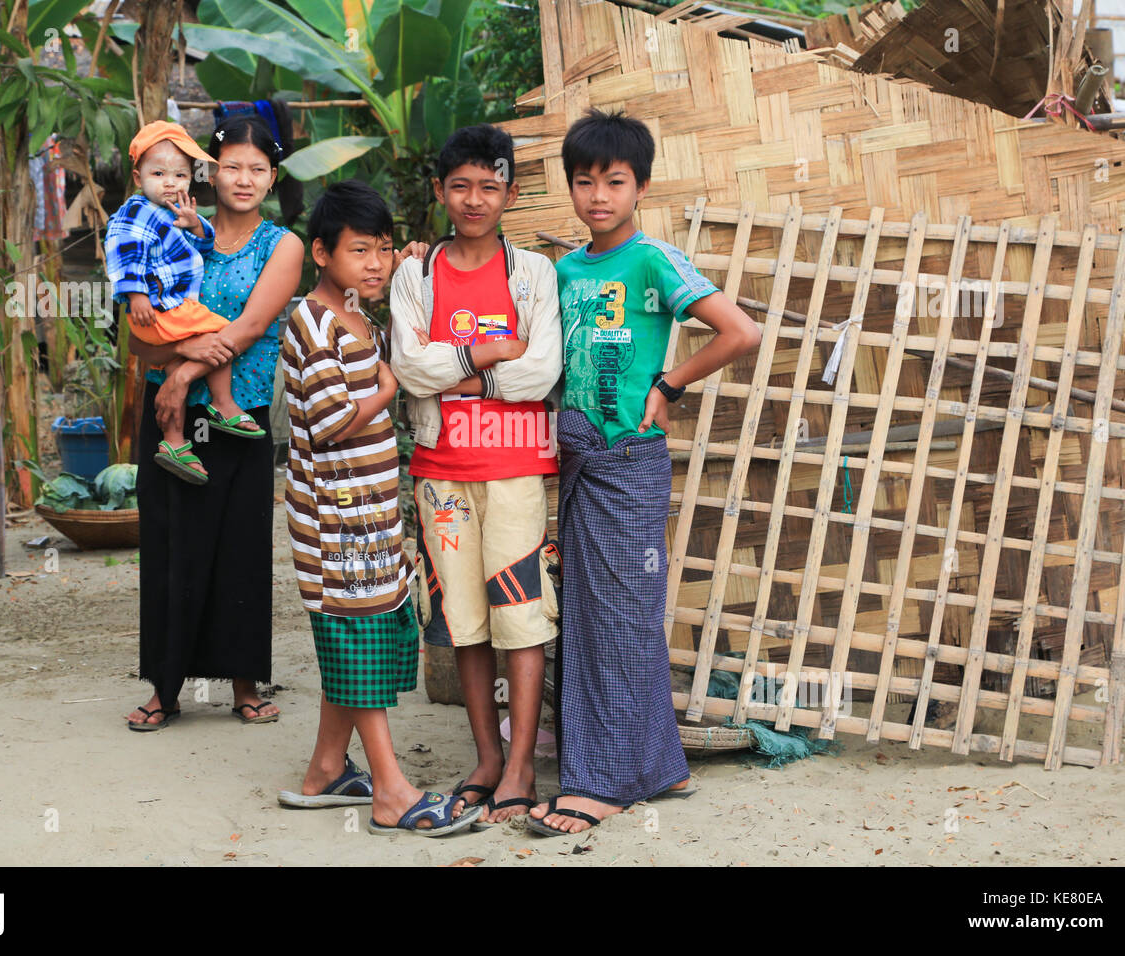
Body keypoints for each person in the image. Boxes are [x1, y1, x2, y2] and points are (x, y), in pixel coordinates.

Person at [529, 109, 762, 836]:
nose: (598, 195)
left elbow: (742, 331)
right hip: (576, 457)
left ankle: (604, 782)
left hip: (628, 461)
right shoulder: (563, 271)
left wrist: (670, 386)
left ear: (642, 188)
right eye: (584, 182)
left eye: (615, 182)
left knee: (623, 617)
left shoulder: (654, 261)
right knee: (592, 619)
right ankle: (661, 767)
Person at [275, 180, 479, 836]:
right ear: (321, 253)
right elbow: (333, 420)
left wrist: (413, 272)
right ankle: (390, 790)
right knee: (356, 636)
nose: (374, 262)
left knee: (370, 636)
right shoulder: (310, 322)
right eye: (359, 250)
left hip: (369, 506)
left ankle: (325, 773)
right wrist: (387, 385)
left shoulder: (361, 313)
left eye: (384, 250)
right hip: (336, 519)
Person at [389, 124, 563, 827]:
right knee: (463, 621)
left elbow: (542, 370)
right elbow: (409, 366)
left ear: (511, 194)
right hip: (440, 474)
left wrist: (457, 367)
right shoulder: (414, 275)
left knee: (520, 617)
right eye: (459, 185)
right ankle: (486, 758)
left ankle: (520, 764)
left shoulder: (533, 275)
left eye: (489, 186)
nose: (474, 199)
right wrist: (494, 350)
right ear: (439, 191)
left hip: (517, 469)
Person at [124, 115, 302, 730]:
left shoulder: (282, 246)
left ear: (273, 177)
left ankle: (244, 685)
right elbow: (142, 337)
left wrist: (179, 376)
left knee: (240, 547)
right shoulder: (170, 234)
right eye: (231, 166)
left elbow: (250, 328)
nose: (244, 179)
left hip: (238, 417)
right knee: (171, 545)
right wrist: (168, 370)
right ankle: (164, 688)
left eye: (257, 168)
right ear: (211, 172)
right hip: (169, 419)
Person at [105, 121, 265, 488]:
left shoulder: (171, 212)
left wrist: (196, 226)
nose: (170, 182)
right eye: (158, 173)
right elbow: (123, 249)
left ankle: (175, 442)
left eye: (180, 174)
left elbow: (202, 249)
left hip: (169, 307)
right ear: (137, 176)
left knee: (178, 366)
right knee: (222, 333)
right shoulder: (135, 213)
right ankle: (223, 404)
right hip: (161, 307)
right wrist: (136, 294)